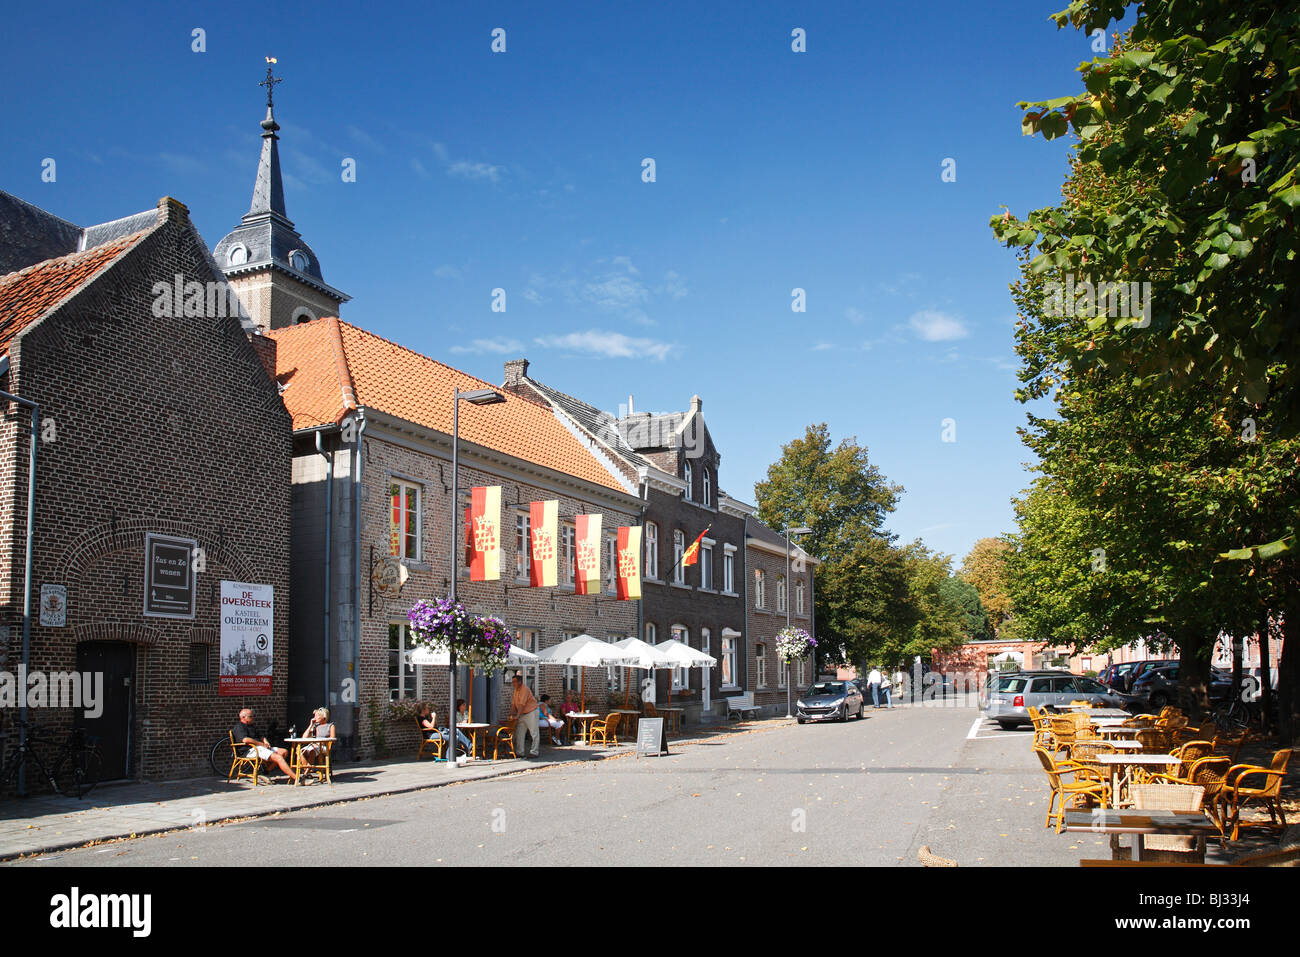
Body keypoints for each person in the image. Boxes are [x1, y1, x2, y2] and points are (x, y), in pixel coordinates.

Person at [232, 708, 296, 783]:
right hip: (250, 750)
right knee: (278, 757)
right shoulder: (239, 727)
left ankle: (265, 772)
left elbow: (261, 736)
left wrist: (265, 741)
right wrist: (261, 744)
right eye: (250, 716)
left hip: (260, 747)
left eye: (253, 716)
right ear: (243, 717)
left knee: (284, 752)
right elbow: (245, 740)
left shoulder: (251, 726)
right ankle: (296, 778)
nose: (253, 718)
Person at [509, 675, 540, 757]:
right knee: (520, 733)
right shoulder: (516, 690)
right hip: (522, 713)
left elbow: (522, 704)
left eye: (514, 682)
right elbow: (513, 704)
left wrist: (517, 716)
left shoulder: (524, 689)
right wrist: (511, 715)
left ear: (519, 682)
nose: (513, 684)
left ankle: (534, 752)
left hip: (531, 712)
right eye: (512, 682)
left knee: (534, 733)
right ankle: (520, 752)